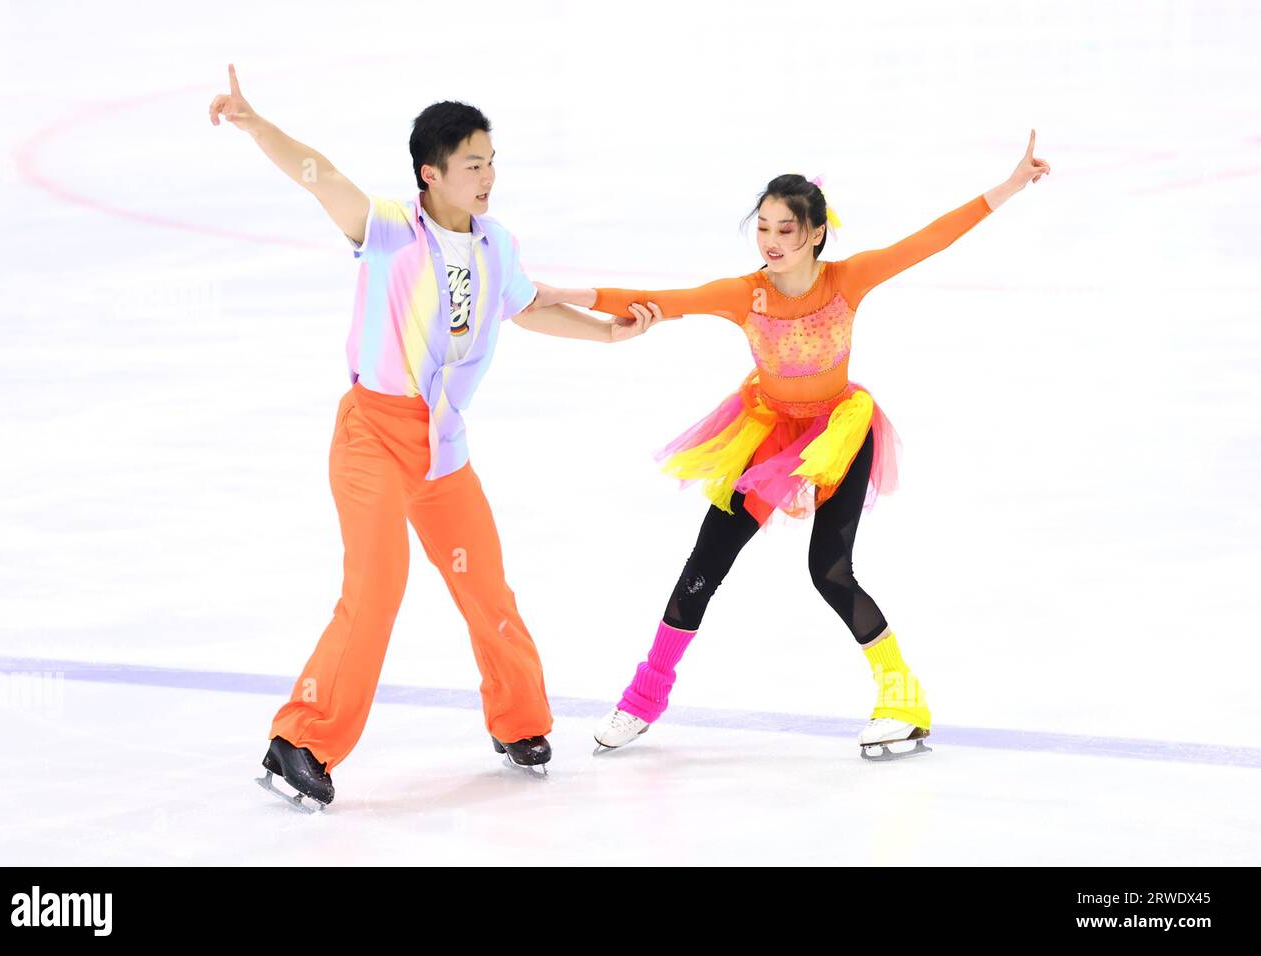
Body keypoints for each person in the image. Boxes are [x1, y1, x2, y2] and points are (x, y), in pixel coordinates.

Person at [208, 65, 653, 809]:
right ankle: (300, 738)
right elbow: (322, 178)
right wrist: (256, 126)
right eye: (473, 164)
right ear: (432, 173)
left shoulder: (494, 243)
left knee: (486, 586)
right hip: (373, 437)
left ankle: (518, 721)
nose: (487, 176)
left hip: (442, 446)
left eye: (491, 161)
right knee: (377, 587)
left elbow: (527, 305)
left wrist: (607, 337)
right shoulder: (388, 229)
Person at [545, 132, 1050, 760]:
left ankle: (903, 698)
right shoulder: (744, 294)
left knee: (829, 570)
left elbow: (931, 239)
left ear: (815, 234)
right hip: (769, 430)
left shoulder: (848, 279)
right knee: (706, 562)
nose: (771, 242)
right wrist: (561, 295)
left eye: (786, 230)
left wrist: (1008, 186)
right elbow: (665, 302)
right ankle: (642, 701)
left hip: (840, 432)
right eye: (763, 228)